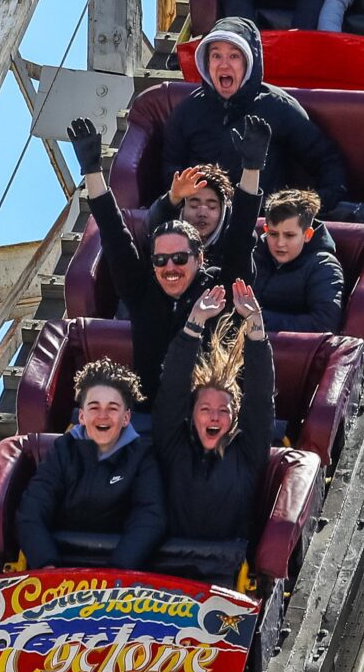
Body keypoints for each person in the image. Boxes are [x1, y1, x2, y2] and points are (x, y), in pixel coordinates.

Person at [69, 116, 254, 407]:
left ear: (199, 258)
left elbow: (241, 235)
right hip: (152, 413)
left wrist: (252, 169)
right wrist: (92, 170)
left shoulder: (219, 291)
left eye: (180, 258)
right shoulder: (142, 290)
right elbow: (114, 234)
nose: (170, 268)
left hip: (208, 417)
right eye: (160, 260)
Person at [160, 19, 350, 216]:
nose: (224, 65)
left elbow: (327, 160)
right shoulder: (186, 111)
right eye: (216, 55)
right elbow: (169, 168)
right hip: (199, 225)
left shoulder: (279, 107)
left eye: (234, 56)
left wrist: (312, 207)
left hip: (264, 229)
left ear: (250, 62)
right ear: (206, 63)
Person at [152, 292, 276, 583]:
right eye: (205, 409)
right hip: (164, 569)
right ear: (191, 414)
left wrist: (256, 328)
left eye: (223, 410)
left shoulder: (247, 454)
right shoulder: (173, 447)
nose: (214, 417)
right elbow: (171, 391)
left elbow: (259, 398)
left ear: (234, 417)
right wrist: (193, 325)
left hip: (226, 573)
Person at [17, 357, 165, 570]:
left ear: (126, 418)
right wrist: (46, 564)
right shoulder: (62, 450)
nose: (103, 416)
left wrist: (119, 569)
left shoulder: (142, 455)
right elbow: (32, 509)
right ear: (82, 416)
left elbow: (150, 517)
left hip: (121, 570)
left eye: (113, 408)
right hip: (59, 566)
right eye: (94, 407)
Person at [248, 188, 347, 335]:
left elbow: (324, 324)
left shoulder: (324, 267)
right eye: (273, 234)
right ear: (265, 230)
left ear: (307, 234)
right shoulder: (254, 253)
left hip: (294, 352)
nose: (280, 243)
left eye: (289, 235)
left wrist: (257, 320)